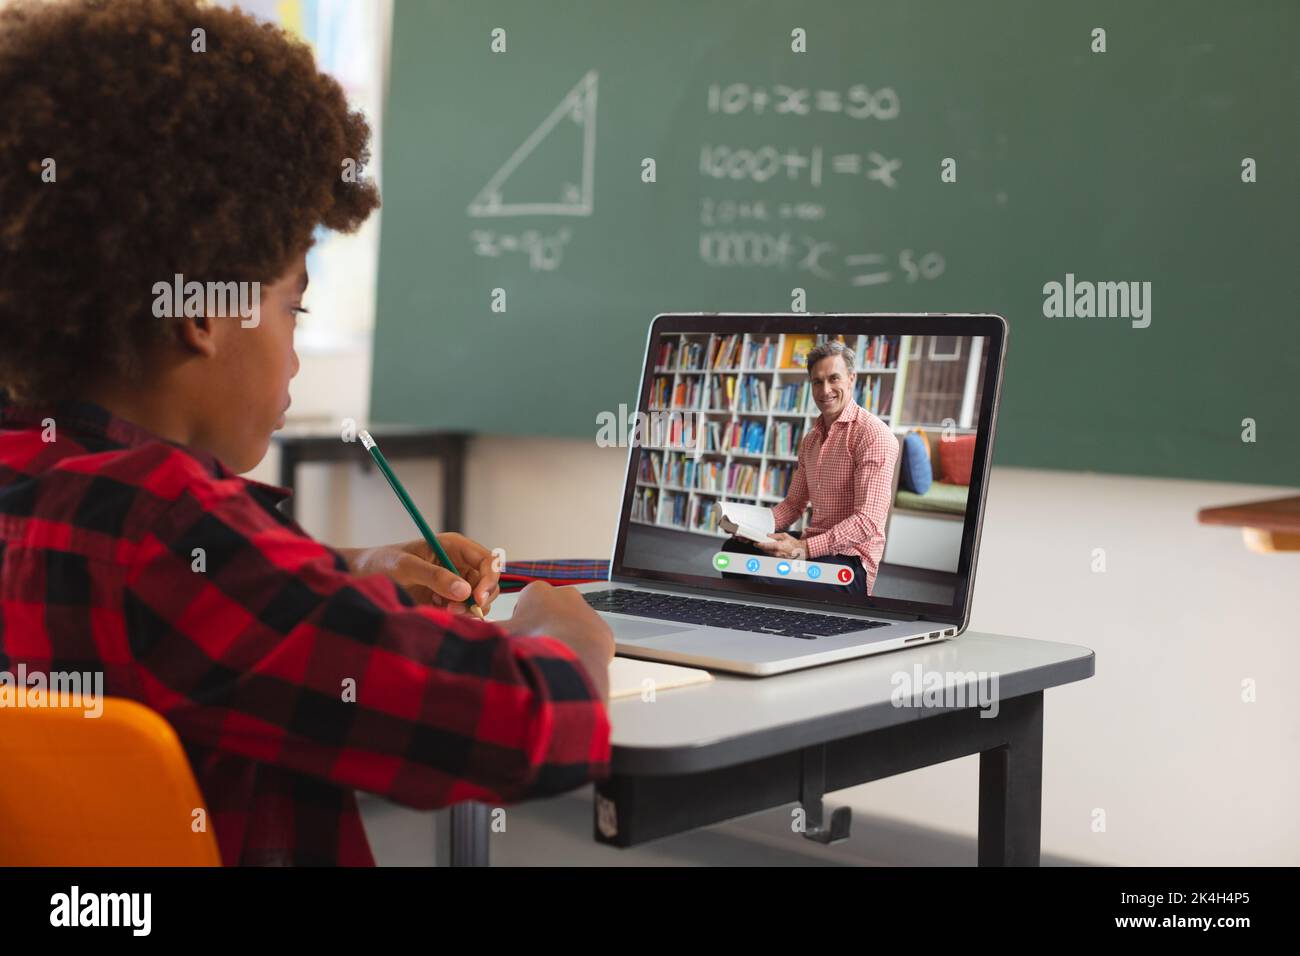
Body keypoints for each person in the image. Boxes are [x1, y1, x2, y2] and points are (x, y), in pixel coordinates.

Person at [0, 0, 613, 865]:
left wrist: (346, 571)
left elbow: (226, 611)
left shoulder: (48, 485)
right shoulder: (168, 531)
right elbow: (520, 730)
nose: (294, 348)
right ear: (204, 312)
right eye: (296, 306)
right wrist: (567, 641)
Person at [721, 340, 898, 597]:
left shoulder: (873, 435)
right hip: (813, 544)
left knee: (763, 577)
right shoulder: (811, 439)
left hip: (850, 563)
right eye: (817, 381)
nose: (825, 390)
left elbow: (867, 522)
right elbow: (794, 504)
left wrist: (805, 548)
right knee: (733, 551)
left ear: (851, 379)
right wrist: (751, 527)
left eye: (834, 379)